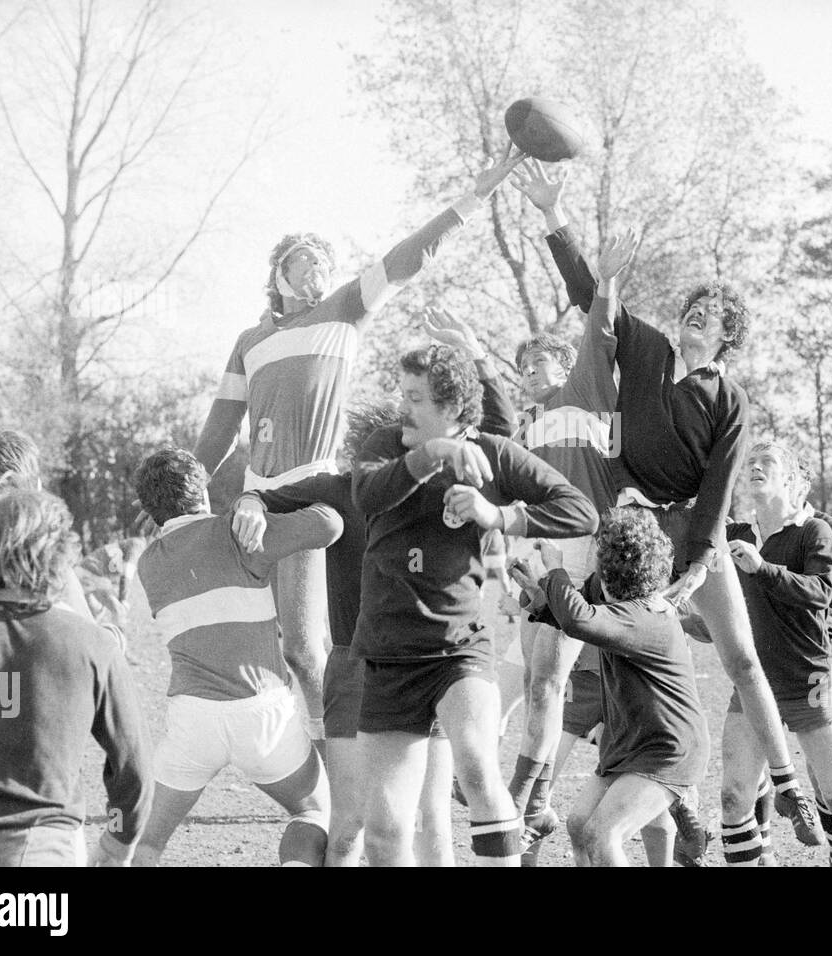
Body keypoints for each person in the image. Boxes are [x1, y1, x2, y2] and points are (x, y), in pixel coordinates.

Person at [511, 162, 822, 848]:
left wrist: (695, 565)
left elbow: (717, 491)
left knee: (741, 658)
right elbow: (592, 295)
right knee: (610, 657)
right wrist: (555, 216)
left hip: (693, 534)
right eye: (694, 309)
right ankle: (630, 797)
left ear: (727, 340)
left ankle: (790, 787)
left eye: (712, 319)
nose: (695, 318)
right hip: (635, 526)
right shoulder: (646, 348)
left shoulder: (730, 400)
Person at [191, 146, 527, 754]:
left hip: (315, 495)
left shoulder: (344, 311)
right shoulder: (249, 341)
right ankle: (325, 755)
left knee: (305, 647)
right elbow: (219, 430)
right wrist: (180, 495)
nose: (317, 266)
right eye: (303, 258)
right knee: (275, 652)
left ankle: (334, 763)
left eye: (325, 258)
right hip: (254, 502)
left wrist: (475, 196)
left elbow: (408, 257)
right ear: (278, 273)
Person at [240, 311, 517, 866]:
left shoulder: (445, 482)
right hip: (355, 665)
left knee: (432, 815)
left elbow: (503, 433)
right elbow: (270, 495)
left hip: (424, 656)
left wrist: (476, 355)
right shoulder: (345, 490)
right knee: (350, 829)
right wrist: (249, 500)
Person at [333, 344, 597, 865]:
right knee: (385, 833)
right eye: (403, 393)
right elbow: (368, 495)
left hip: (459, 649)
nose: (403, 406)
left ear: (451, 408)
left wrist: (500, 516)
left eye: (415, 397)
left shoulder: (495, 454)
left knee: (476, 767)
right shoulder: (386, 444)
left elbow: (581, 511)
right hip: (388, 656)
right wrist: (434, 454)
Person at [0, 487, 150, 866]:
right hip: (45, 846)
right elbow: (132, 766)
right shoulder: (93, 644)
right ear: (59, 555)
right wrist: (118, 840)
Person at [131, 448, 341, 866]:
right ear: (202, 489)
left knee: (146, 842)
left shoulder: (148, 563)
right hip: (263, 716)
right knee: (314, 811)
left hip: (192, 721)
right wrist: (257, 502)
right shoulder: (238, 533)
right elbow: (329, 523)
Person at [506, 230, 638, 856]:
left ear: (563, 364)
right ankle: (534, 803)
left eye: (539, 362)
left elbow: (599, 326)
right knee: (546, 682)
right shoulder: (525, 427)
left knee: (555, 682)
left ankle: (527, 800)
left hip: (588, 547)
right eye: (522, 367)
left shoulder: (586, 387)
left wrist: (605, 278)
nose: (530, 373)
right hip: (541, 557)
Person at [0, 431, 126, 817]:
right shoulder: (48, 565)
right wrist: (115, 630)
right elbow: (91, 649)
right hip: (33, 768)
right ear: (26, 493)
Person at [510, 509, 709, 867]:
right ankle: (680, 808)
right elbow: (571, 615)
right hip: (630, 745)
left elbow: (578, 619)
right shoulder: (625, 603)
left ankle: (680, 802)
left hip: (667, 752)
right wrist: (535, 592)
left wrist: (555, 567)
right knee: (580, 825)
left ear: (607, 575)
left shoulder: (646, 616)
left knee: (604, 834)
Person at [722, 441, 832, 867]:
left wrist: (766, 571)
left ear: (795, 482)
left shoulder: (819, 529)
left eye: (766, 463)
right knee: (735, 793)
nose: (754, 468)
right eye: (750, 462)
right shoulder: (735, 534)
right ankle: (768, 849)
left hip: (813, 673)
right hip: (755, 680)